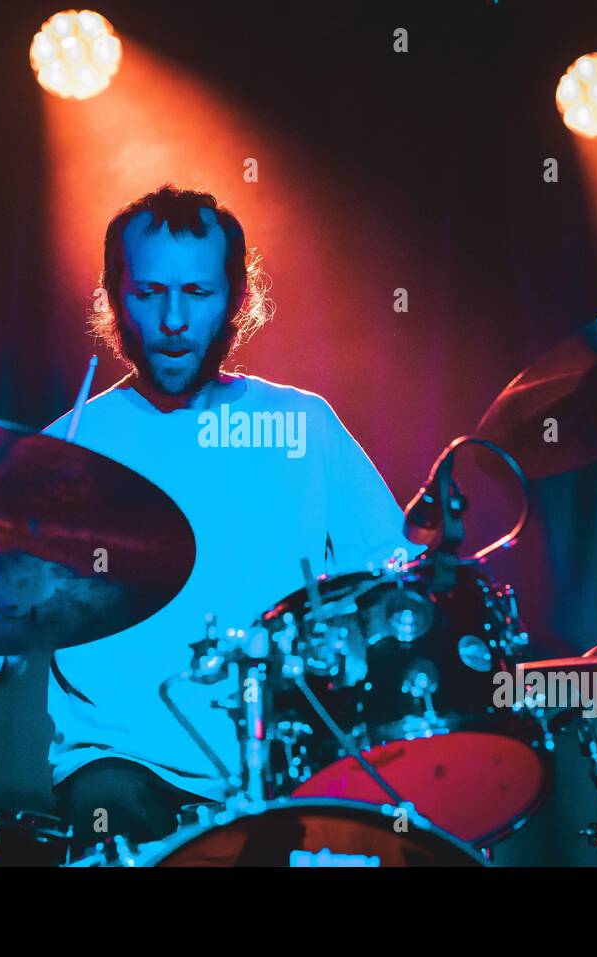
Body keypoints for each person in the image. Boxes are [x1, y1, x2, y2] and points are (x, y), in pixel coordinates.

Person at [43, 184, 412, 857]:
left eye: (199, 292)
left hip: (284, 766)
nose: (174, 319)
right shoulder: (63, 447)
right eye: (149, 292)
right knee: (115, 803)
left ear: (238, 299)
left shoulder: (302, 425)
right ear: (113, 296)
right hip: (122, 770)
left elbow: (397, 582)